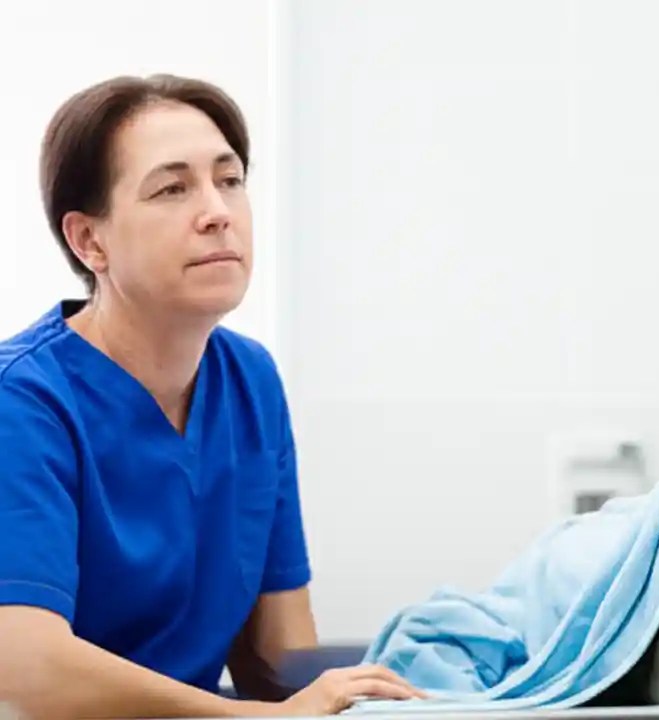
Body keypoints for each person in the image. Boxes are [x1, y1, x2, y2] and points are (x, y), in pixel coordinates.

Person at [0, 74, 425, 719]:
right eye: (172, 189)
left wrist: (435, 676)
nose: (217, 211)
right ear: (91, 241)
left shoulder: (251, 381)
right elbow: (25, 668)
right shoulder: (23, 400)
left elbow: (277, 660)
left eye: (229, 180)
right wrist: (258, 718)